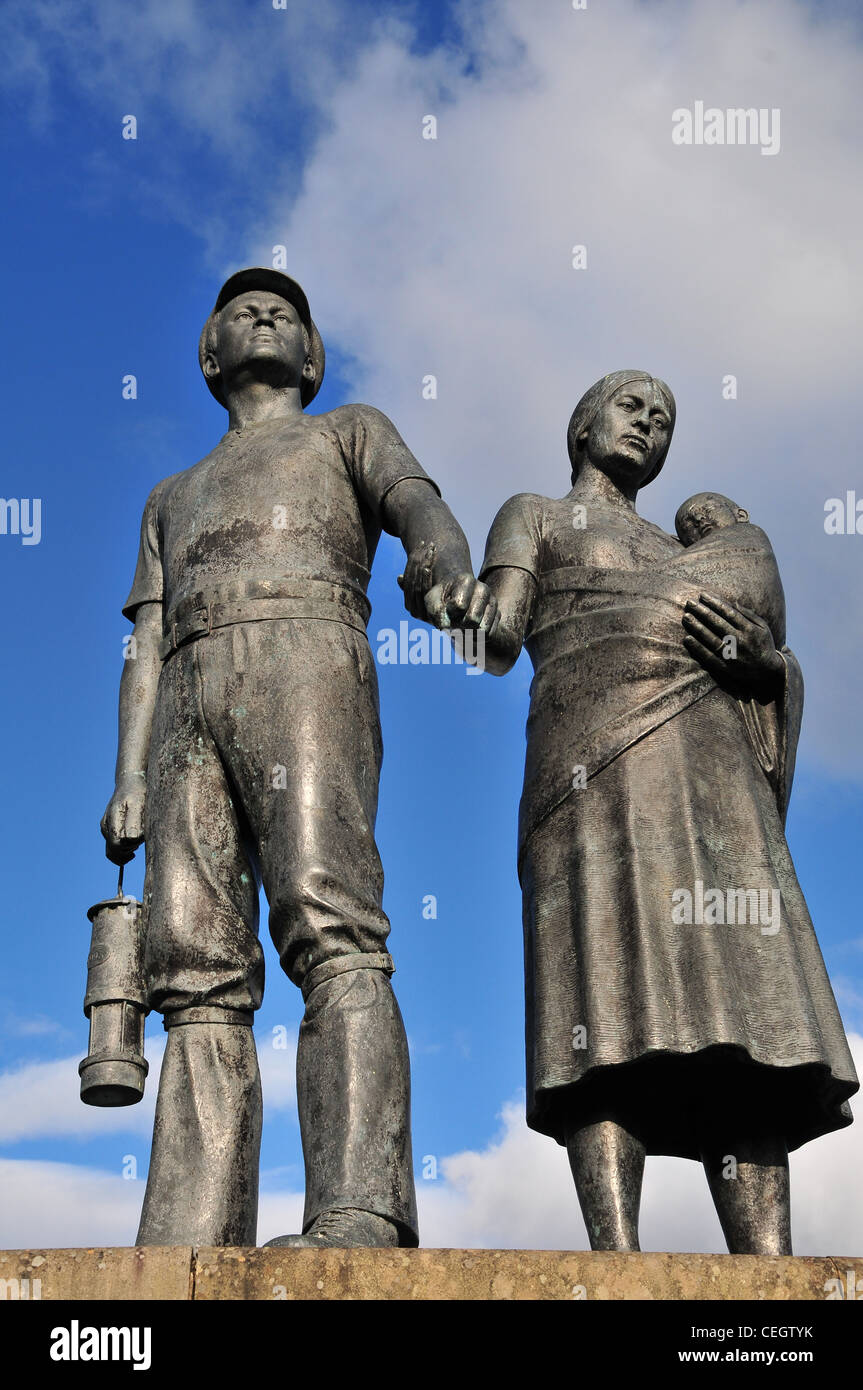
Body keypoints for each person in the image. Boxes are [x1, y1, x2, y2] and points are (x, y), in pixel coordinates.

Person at [100, 267, 496, 1249]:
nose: (264, 314)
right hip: (186, 697)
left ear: (312, 356)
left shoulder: (346, 430)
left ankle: (359, 1208)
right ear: (209, 353)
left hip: (306, 653)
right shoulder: (170, 495)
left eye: (284, 310)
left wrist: (443, 559)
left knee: (329, 918)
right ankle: (190, 1227)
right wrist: (127, 775)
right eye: (240, 309)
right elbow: (143, 645)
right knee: (191, 967)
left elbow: (419, 507)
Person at [464, 370, 857, 1254]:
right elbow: (494, 640)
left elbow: (769, 663)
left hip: (711, 774)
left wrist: (766, 669)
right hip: (591, 778)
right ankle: (615, 1257)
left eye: (664, 419)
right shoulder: (532, 513)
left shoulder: (699, 547)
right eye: (631, 406)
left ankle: (769, 1272)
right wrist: (452, 604)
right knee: (600, 1007)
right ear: (581, 427)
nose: (648, 425)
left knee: (744, 1021)